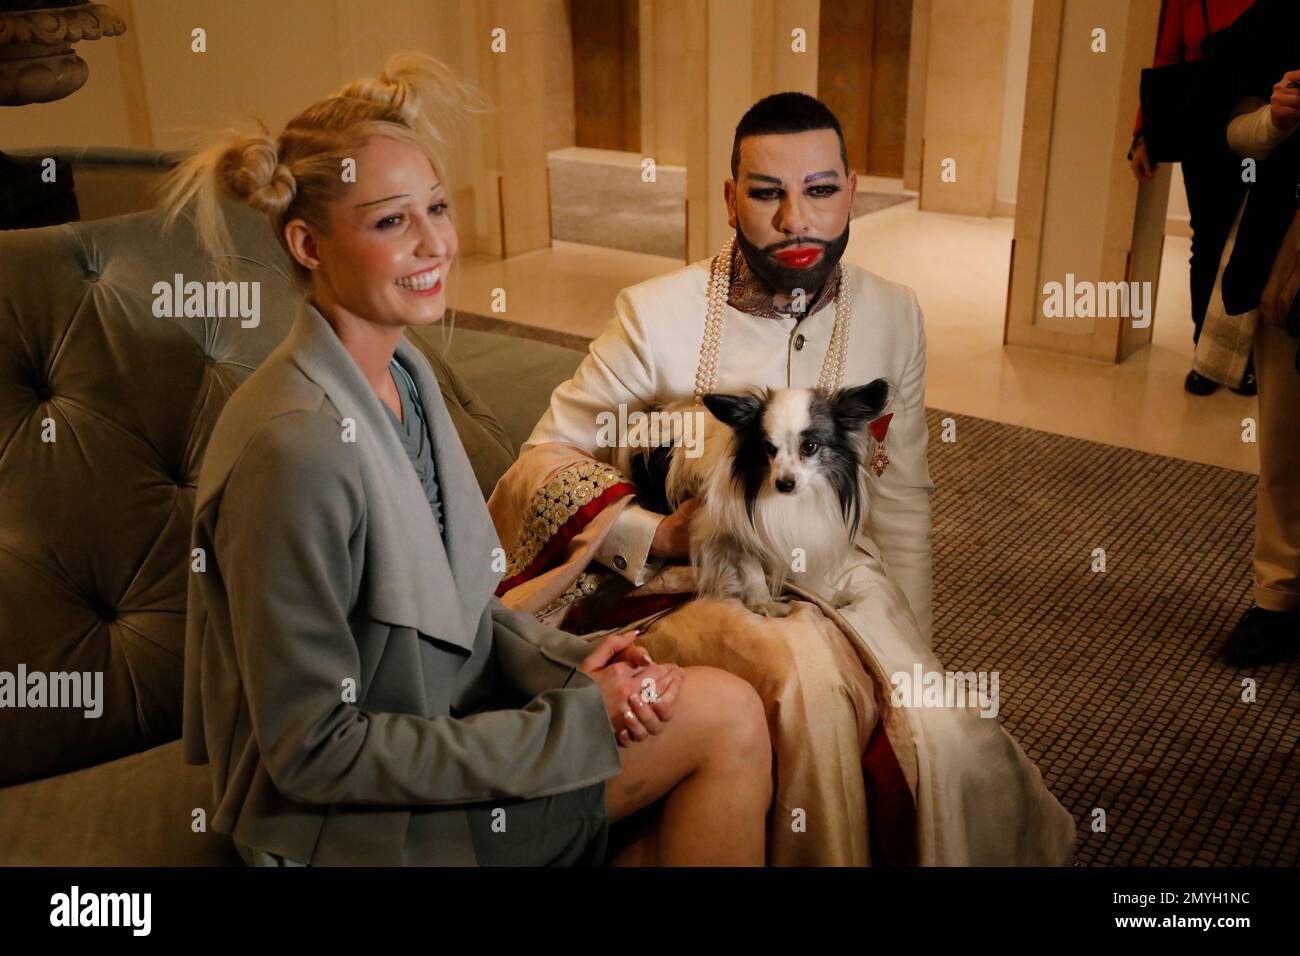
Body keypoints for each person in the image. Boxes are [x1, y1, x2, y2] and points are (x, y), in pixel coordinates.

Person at [172, 53, 772, 867]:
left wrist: (569, 664)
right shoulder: (296, 449)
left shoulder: (406, 375)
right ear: (308, 242)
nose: (435, 243)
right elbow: (312, 748)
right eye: (391, 222)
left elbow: (443, 614)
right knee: (724, 718)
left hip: (433, 744)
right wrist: (570, 724)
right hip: (349, 824)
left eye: (438, 207)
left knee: (685, 705)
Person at [489, 93, 1077, 866]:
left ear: (852, 193)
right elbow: (539, 464)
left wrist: (911, 659)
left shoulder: (894, 315)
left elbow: (902, 499)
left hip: (843, 579)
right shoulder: (654, 314)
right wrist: (655, 531)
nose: (796, 217)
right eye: (767, 193)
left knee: (942, 737)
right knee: (807, 690)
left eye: (820, 190)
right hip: (691, 581)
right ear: (732, 199)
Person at [1199, 0, 1300, 665]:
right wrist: (1274, 120)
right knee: (1286, 441)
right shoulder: (1278, 19)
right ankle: (1279, 597)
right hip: (1292, 260)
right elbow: (1224, 127)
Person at [1129, 0, 1255, 396]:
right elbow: (1167, 61)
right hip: (1203, 131)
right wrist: (1143, 134)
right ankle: (1206, 352)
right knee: (1208, 243)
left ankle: (1246, 356)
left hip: (1263, 129)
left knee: (1252, 242)